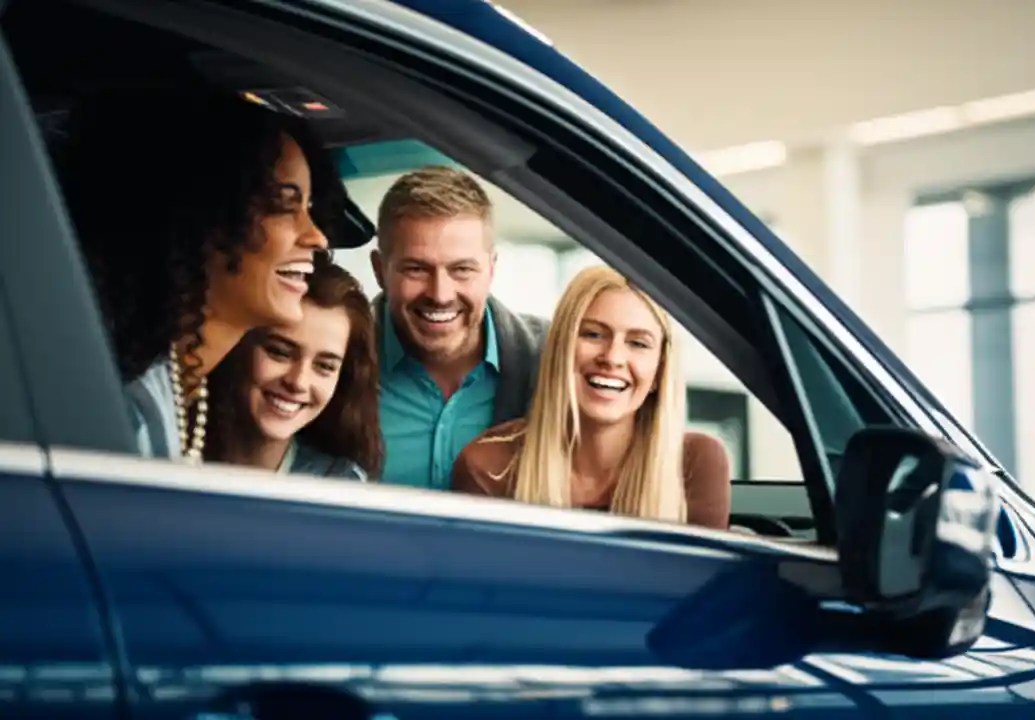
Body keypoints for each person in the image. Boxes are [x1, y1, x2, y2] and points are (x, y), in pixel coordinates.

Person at [58, 86, 345, 462]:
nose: (317, 237)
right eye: (284, 205)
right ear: (203, 222)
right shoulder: (124, 411)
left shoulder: (166, 391)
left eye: (307, 207)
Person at [451, 266, 731, 529]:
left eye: (637, 343)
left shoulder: (695, 463)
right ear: (561, 350)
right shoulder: (488, 465)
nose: (612, 358)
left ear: (659, 371)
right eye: (593, 334)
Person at [371, 166, 548, 489]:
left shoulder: (553, 361)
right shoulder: (331, 360)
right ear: (380, 270)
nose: (440, 294)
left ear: (491, 270)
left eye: (462, 270)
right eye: (416, 269)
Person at [204, 259, 382, 480]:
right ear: (237, 343)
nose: (298, 381)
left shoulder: (341, 484)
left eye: (325, 366)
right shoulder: (162, 442)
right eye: (279, 352)